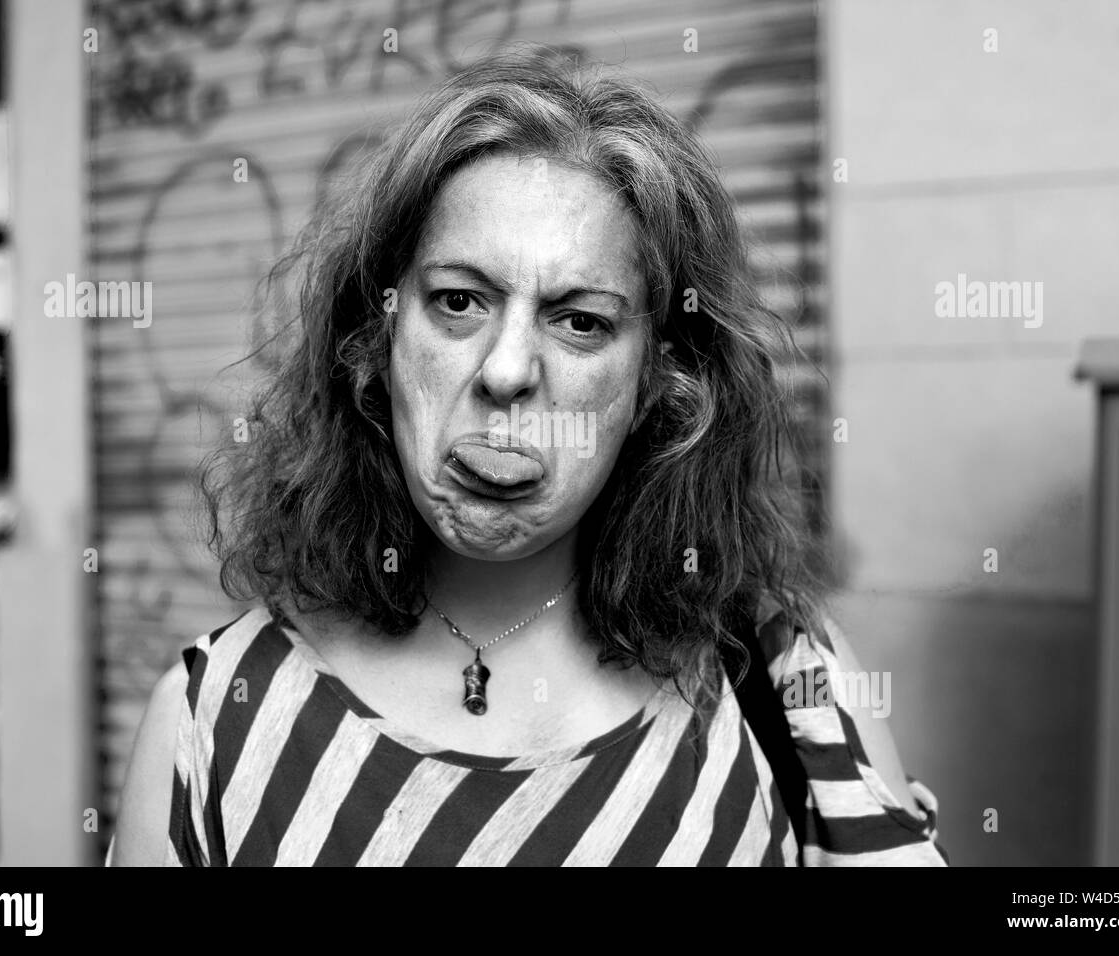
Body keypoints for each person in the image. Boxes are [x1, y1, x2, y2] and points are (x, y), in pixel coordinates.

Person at [109, 48, 947, 867]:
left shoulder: (786, 685)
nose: (507, 371)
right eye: (458, 302)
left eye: (580, 321)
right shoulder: (215, 718)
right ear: (377, 342)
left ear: (663, 384)